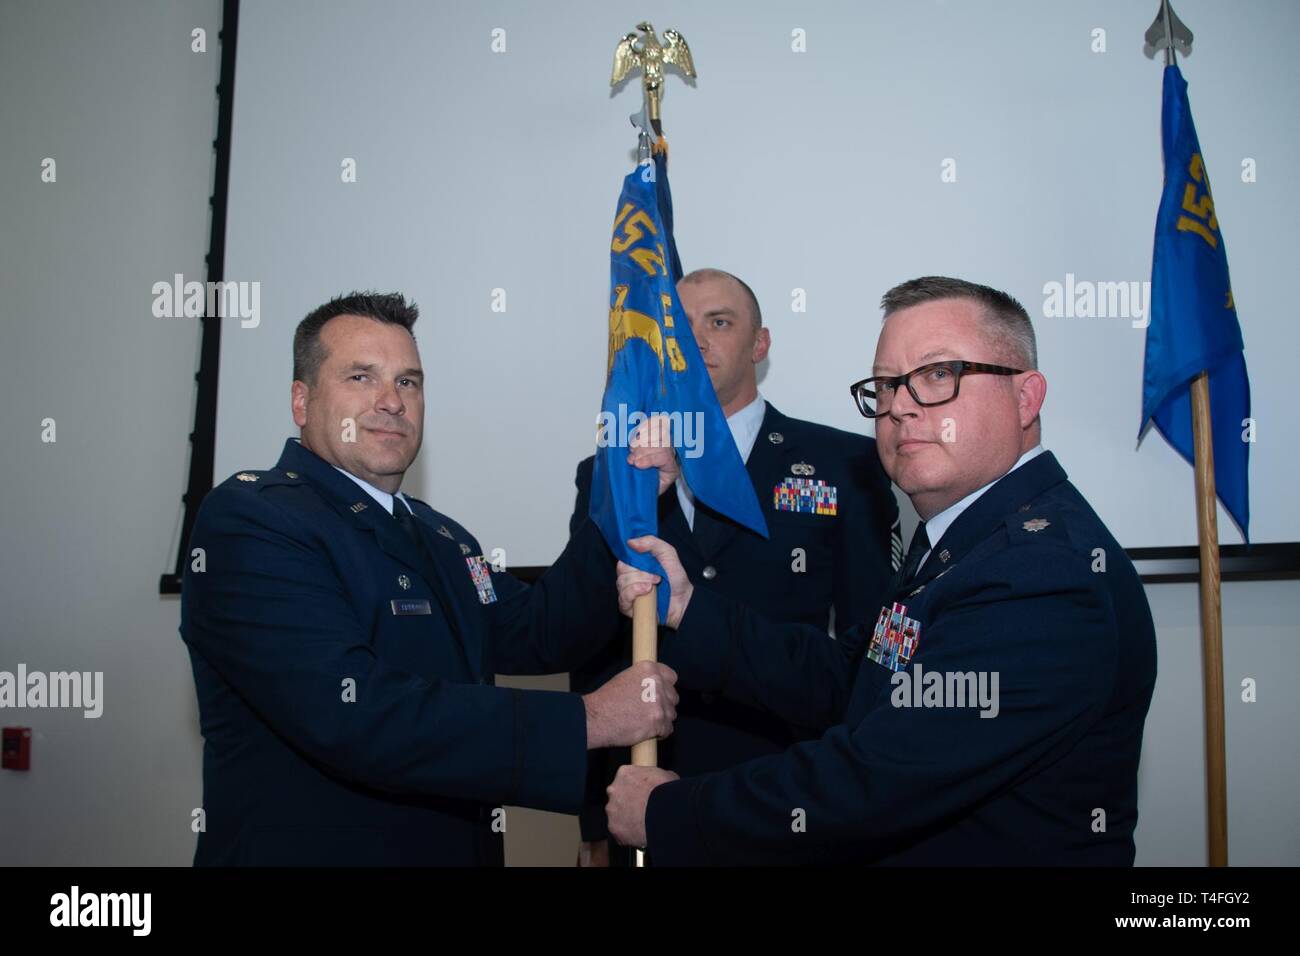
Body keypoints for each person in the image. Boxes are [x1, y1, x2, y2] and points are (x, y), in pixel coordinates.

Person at [606, 276, 1158, 865]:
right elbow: (856, 685)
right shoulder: (966, 537)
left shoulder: (1042, 574)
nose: (898, 406)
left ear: (1026, 397)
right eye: (887, 384)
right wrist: (689, 607)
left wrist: (672, 812)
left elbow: (876, 778)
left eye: (938, 375)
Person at [180, 291, 678, 866]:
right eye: (361, 377)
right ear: (302, 399)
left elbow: (541, 629)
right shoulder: (252, 520)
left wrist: (624, 495)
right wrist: (589, 720)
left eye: (409, 382)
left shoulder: (440, 536)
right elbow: (354, 712)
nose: (391, 401)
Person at [570, 268, 900, 866]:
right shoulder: (616, 473)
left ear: (760, 343)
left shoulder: (844, 464)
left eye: (719, 322)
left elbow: (867, 655)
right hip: (649, 798)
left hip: (790, 799)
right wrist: (593, 813)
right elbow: (592, 650)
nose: (695, 340)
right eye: (679, 327)